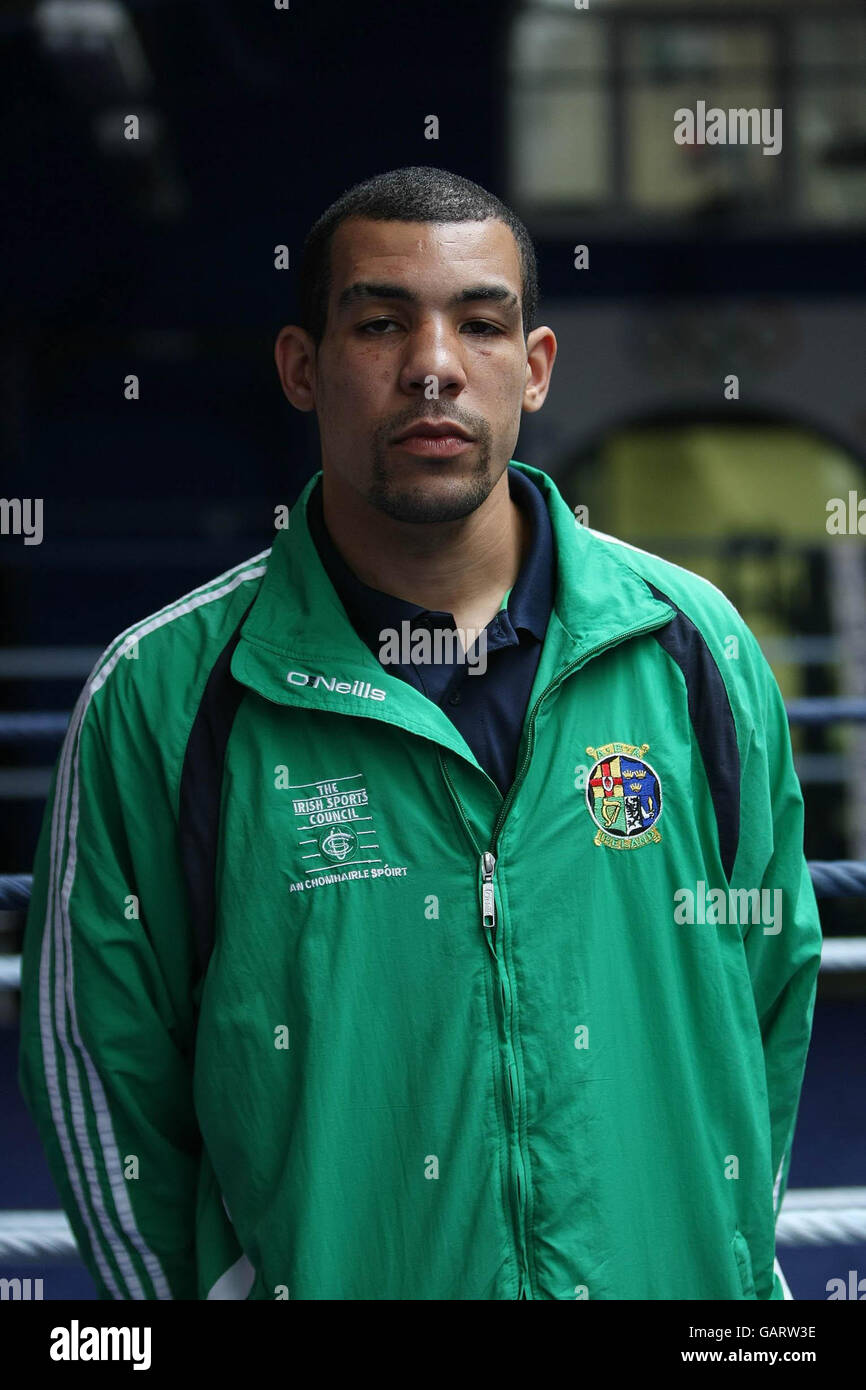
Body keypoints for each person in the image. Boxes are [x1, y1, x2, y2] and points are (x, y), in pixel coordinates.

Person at [19, 166, 822, 1300]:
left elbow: (768, 1006)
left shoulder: (693, 647)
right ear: (302, 367)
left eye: (478, 322)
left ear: (532, 367)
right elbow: (105, 1080)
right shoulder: (163, 694)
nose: (433, 365)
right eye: (381, 322)